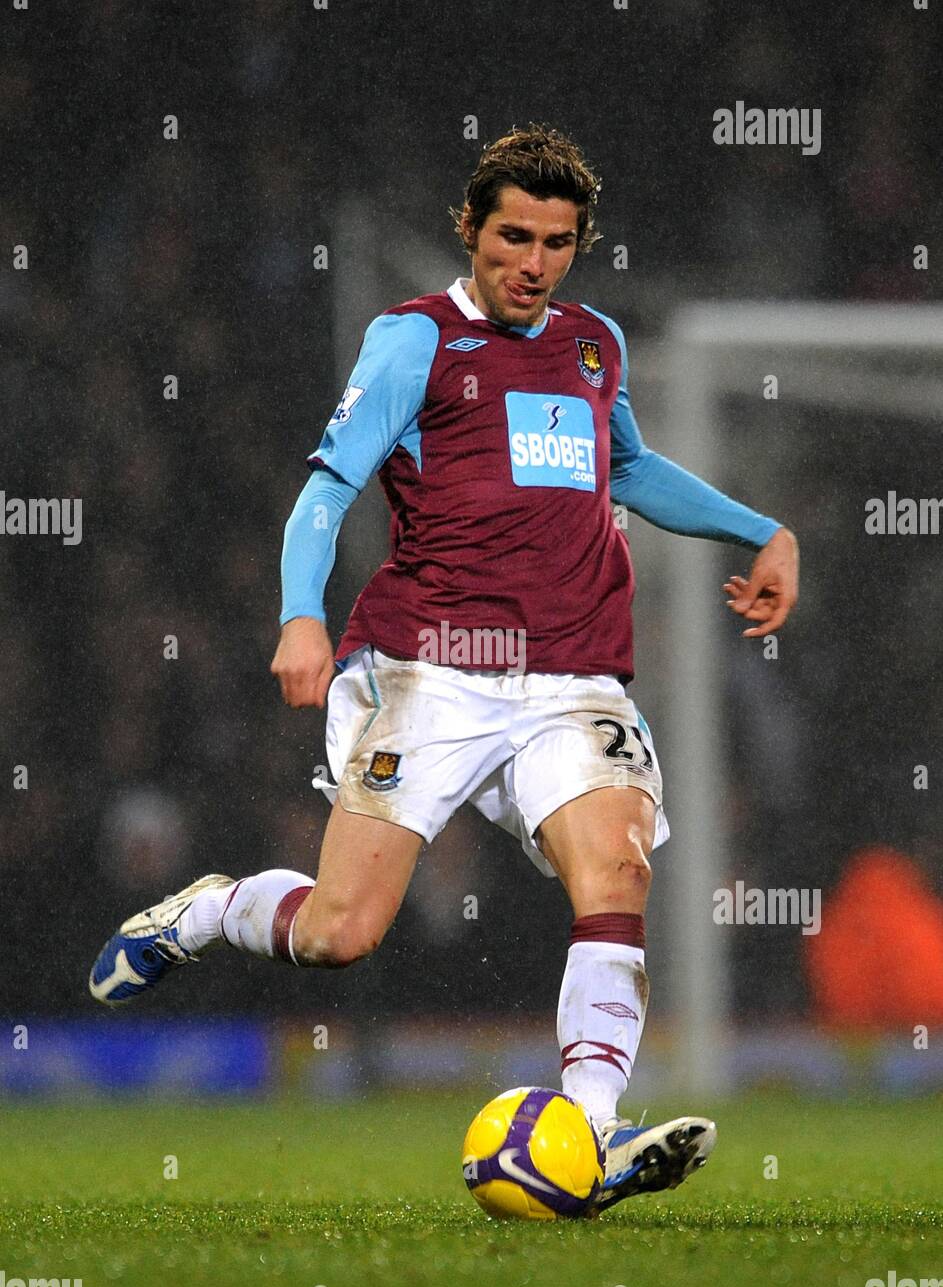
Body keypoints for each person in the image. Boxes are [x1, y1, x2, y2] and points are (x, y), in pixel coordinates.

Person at [89, 124, 799, 1212]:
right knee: (339, 935)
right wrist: (299, 616)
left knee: (614, 873)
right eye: (513, 235)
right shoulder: (412, 340)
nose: (533, 261)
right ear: (470, 229)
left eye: (557, 243)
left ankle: (593, 1136)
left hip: (571, 677)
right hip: (429, 668)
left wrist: (760, 529)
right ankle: (209, 911)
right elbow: (328, 488)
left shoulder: (595, 345)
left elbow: (635, 470)